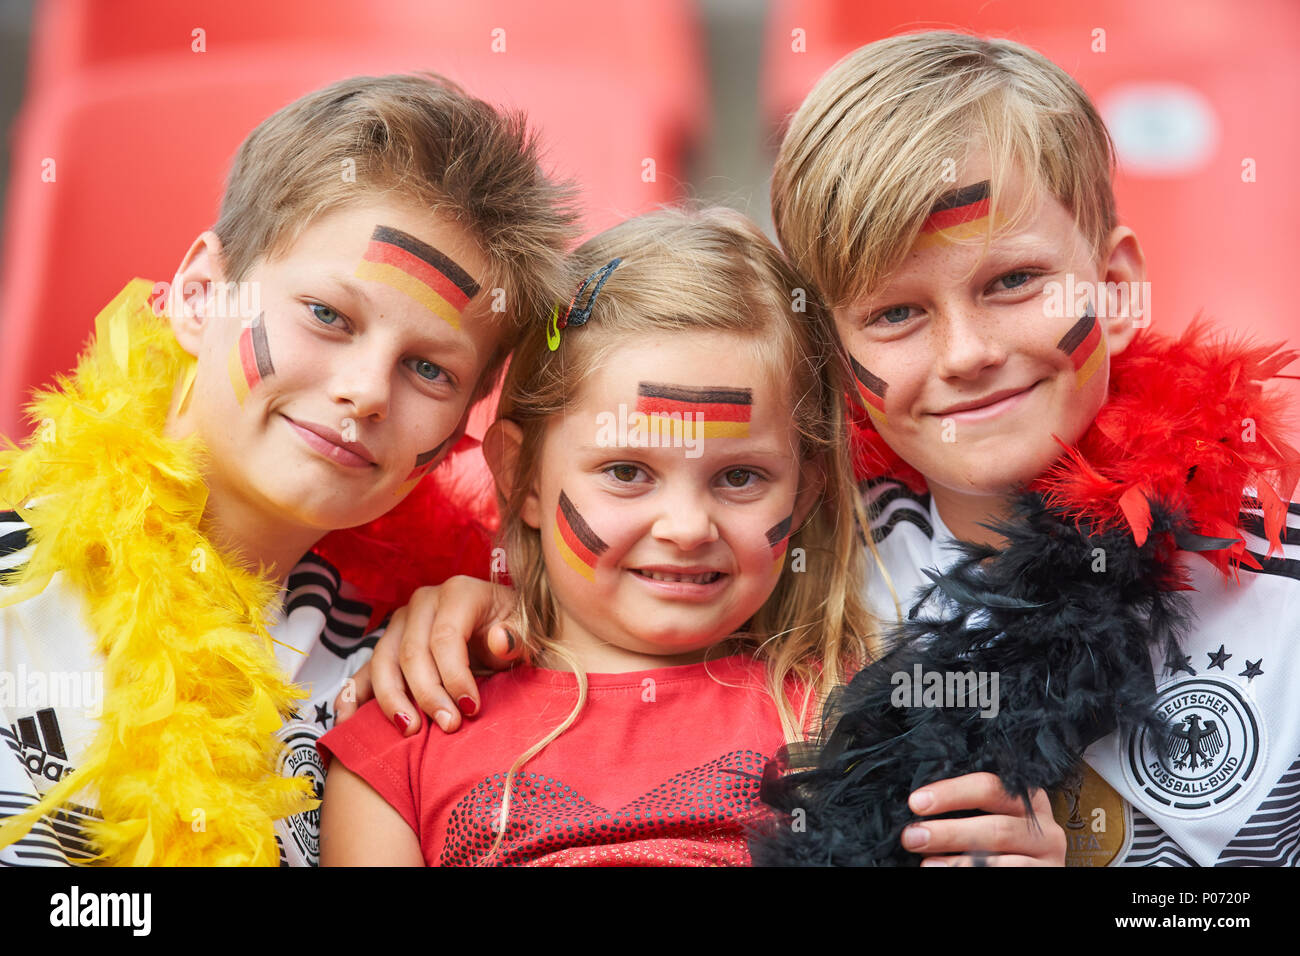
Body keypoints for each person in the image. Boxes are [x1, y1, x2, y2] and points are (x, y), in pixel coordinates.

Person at [752, 31, 1299, 866]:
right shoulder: (794, 553)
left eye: (1011, 282)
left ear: (1116, 290)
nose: (967, 352)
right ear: (833, 357)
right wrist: (491, 607)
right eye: (896, 313)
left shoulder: (1278, 577)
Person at [0, 73, 575, 866]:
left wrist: (520, 616)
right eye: (328, 316)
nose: (367, 391)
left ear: (460, 429)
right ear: (201, 294)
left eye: (430, 370)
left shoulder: (414, 668)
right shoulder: (15, 598)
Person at [317, 207, 875, 865]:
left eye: (740, 476)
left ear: (805, 490)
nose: (688, 527)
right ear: (521, 476)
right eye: (627, 471)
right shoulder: (401, 740)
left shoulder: (862, 724)